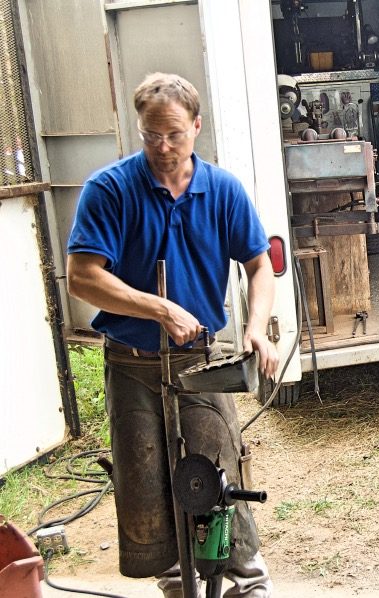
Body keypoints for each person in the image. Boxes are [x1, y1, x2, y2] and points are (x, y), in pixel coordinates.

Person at [66, 73, 279, 597]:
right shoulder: (110, 189)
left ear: (197, 128)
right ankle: (180, 588)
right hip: (131, 365)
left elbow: (258, 266)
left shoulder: (222, 190)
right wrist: (159, 307)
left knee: (219, 479)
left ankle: (247, 586)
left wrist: (255, 329)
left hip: (200, 363)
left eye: (175, 135)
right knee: (150, 489)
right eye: (150, 135)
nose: (162, 147)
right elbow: (83, 275)